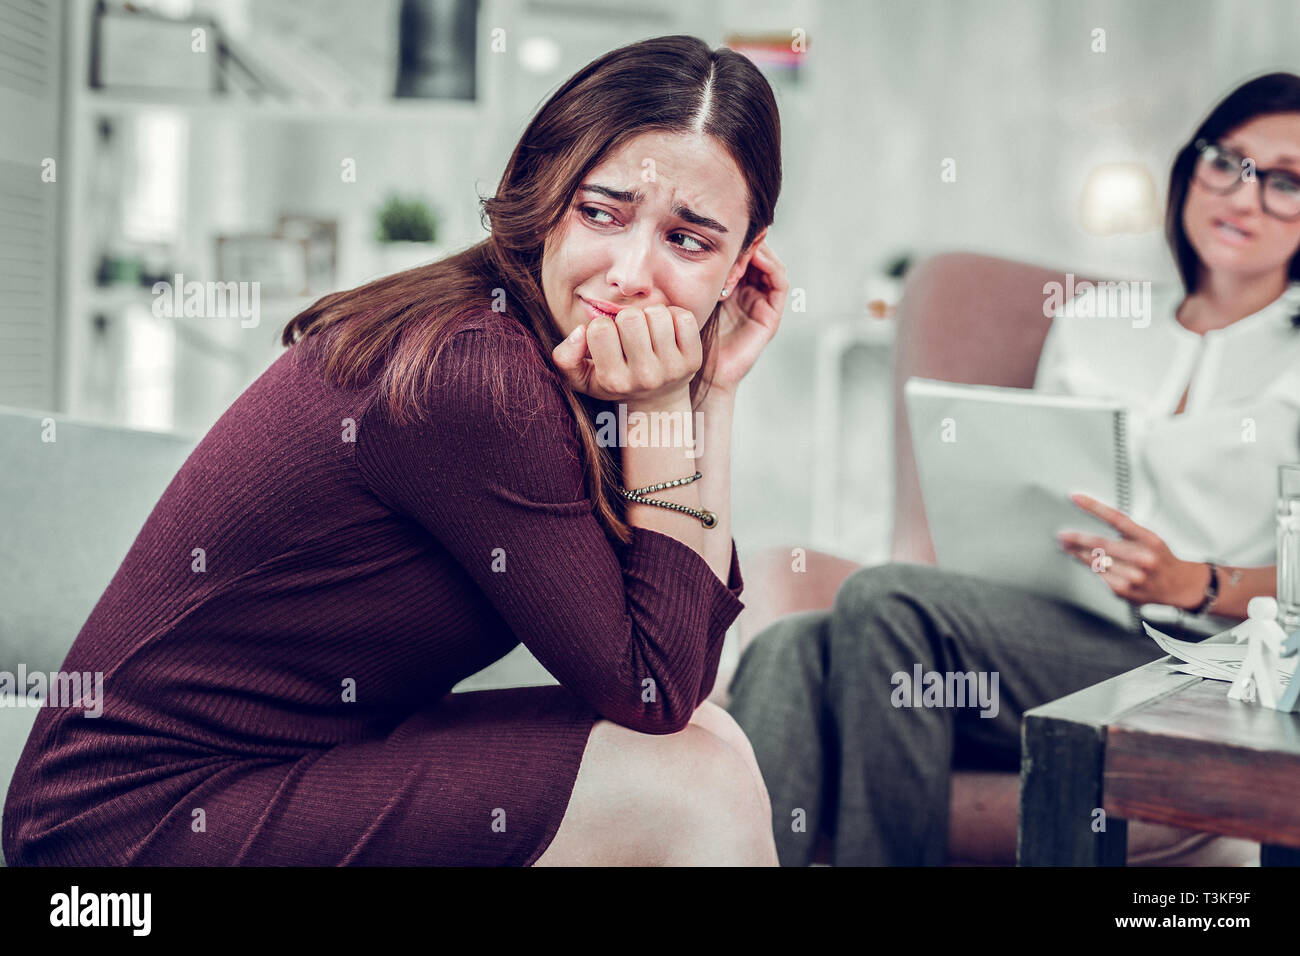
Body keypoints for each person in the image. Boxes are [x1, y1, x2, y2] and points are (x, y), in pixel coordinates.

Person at [2, 34, 788, 868]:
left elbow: (682, 661)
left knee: (715, 744)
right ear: (543, 189)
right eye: (601, 212)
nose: (632, 273)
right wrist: (669, 403)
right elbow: (653, 684)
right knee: (694, 789)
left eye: (689, 241)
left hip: (292, 767)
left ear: (742, 264)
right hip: (119, 835)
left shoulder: (546, 351)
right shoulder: (476, 372)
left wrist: (711, 393)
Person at [726, 71, 1300, 866]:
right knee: (790, 647)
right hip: (1043, 627)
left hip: (1192, 661)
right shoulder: (1094, 324)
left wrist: (1196, 582)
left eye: (1284, 183)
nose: (1243, 198)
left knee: (886, 600)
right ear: (1190, 169)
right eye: (1226, 163)